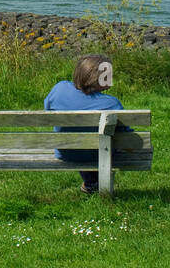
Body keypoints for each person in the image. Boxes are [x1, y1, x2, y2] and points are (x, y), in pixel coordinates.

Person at [44, 54, 125, 194]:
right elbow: (125, 136)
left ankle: (91, 183)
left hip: (66, 152)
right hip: (98, 153)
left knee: (81, 140)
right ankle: (93, 183)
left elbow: (47, 108)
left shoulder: (59, 89)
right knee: (104, 142)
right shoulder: (111, 103)